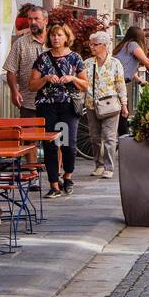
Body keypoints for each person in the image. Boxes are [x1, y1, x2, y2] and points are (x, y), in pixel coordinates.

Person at [29, 23, 89, 198]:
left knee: (68, 144)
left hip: (68, 105)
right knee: (50, 145)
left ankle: (68, 176)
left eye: (60, 35)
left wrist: (72, 78)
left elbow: (85, 85)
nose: (56, 38)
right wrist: (46, 78)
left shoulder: (75, 58)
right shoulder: (43, 59)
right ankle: (54, 185)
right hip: (47, 106)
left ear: (66, 37)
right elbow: (31, 85)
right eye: (53, 35)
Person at [83, 30, 127, 179]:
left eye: (96, 44)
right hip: (91, 104)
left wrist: (125, 105)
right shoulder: (87, 63)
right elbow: (83, 83)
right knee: (94, 137)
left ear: (106, 45)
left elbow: (120, 85)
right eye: (91, 44)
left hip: (110, 105)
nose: (92, 47)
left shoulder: (115, 64)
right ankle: (99, 165)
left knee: (109, 137)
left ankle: (109, 167)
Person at [4, 7, 48, 117]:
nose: (32, 22)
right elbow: (11, 70)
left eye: (36, 19)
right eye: (30, 19)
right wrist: (14, 92)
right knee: (29, 134)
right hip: (29, 103)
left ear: (46, 21)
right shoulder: (20, 43)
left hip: (54, 104)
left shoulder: (56, 41)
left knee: (54, 134)